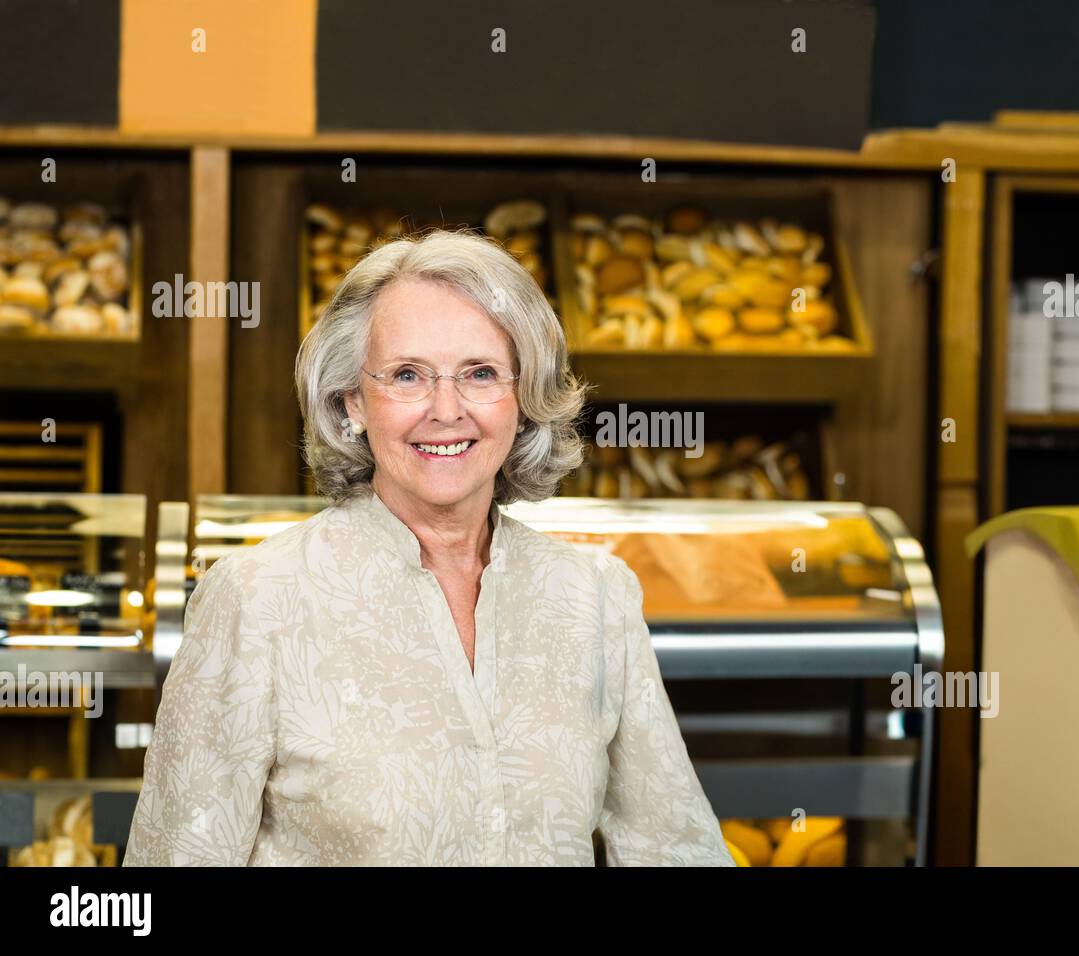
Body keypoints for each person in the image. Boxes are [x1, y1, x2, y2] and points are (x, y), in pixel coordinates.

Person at [123, 228, 733, 866]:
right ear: (351, 401)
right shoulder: (257, 600)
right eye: (408, 375)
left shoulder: (595, 599)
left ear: (524, 400)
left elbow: (676, 849)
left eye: (481, 374)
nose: (447, 410)